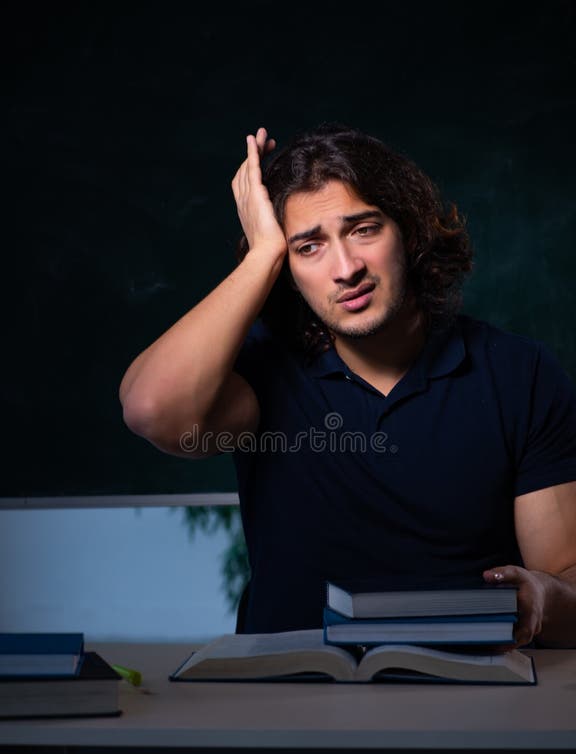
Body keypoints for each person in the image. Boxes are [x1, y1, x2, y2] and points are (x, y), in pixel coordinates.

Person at [119, 123, 576, 647]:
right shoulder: (261, 376)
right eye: (308, 247)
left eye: (363, 229)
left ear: (408, 230)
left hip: (470, 699)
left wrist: (541, 596)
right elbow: (151, 408)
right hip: (289, 705)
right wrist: (261, 255)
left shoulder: (519, 373)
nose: (345, 268)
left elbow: (567, 575)